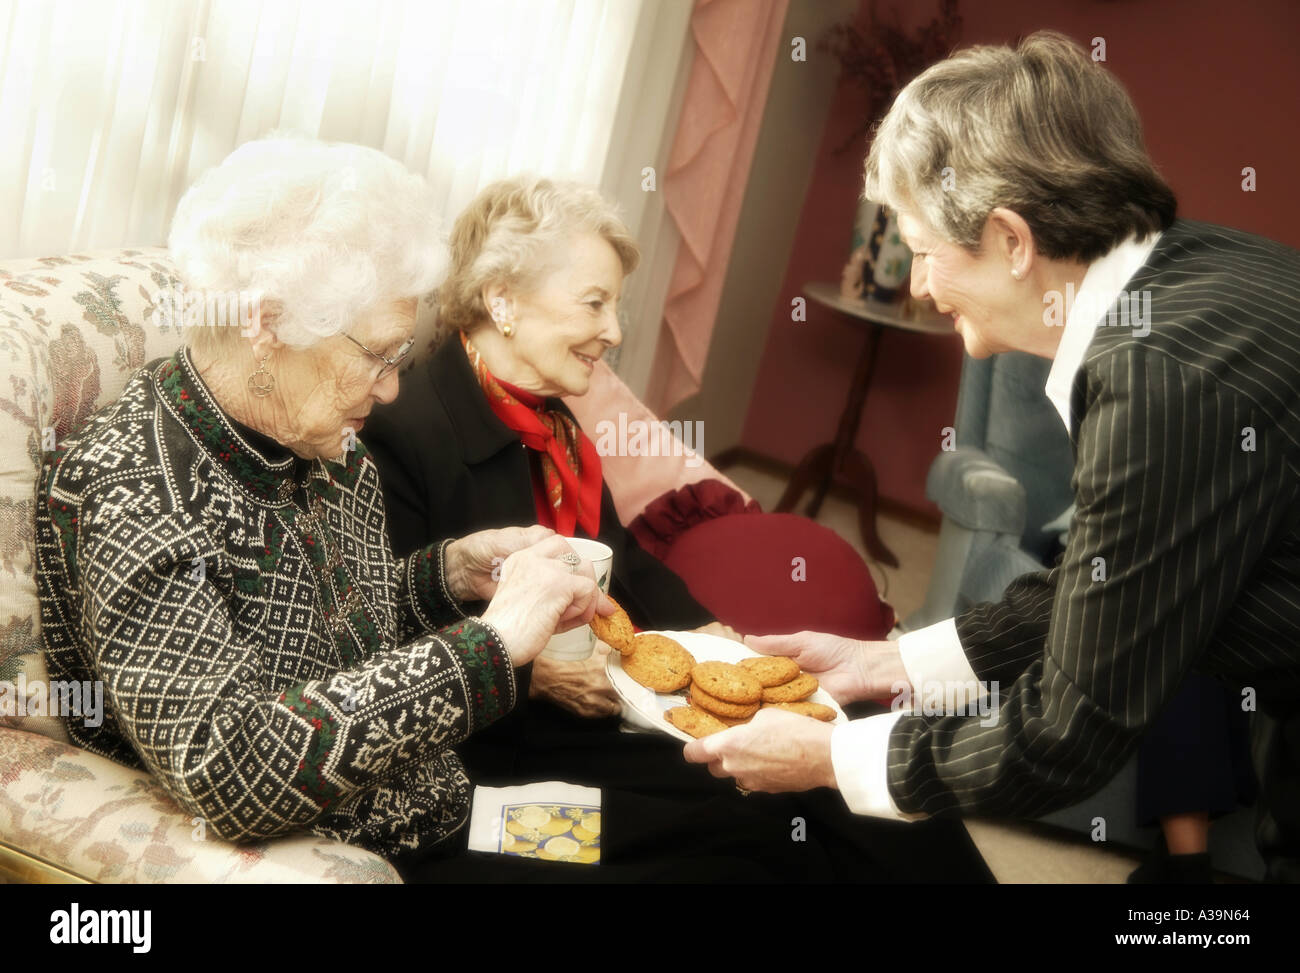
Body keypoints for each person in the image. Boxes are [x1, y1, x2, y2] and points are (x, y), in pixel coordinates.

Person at [683, 31, 1300, 882]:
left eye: (924, 250)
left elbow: (1066, 733)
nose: (920, 287)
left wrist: (837, 758)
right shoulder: (1188, 268)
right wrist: (885, 662)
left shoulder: (1157, 381)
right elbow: (1108, 577)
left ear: (1012, 240)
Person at [363, 176, 995, 881]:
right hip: (498, 765)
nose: (615, 332)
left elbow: (626, 562)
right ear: (501, 298)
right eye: (595, 303)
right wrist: (535, 677)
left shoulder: (559, 427)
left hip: (609, 714)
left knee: (841, 763)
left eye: (616, 307)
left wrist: (718, 636)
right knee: (740, 828)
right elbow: (380, 635)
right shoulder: (401, 432)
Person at [33, 135, 612, 871]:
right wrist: (489, 645)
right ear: (267, 324)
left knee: (743, 831)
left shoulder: (326, 446)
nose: (393, 387)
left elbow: (341, 636)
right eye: (377, 354)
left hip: (459, 807)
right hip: (378, 855)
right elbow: (229, 765)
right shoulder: (133, 493)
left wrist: (446, 577)